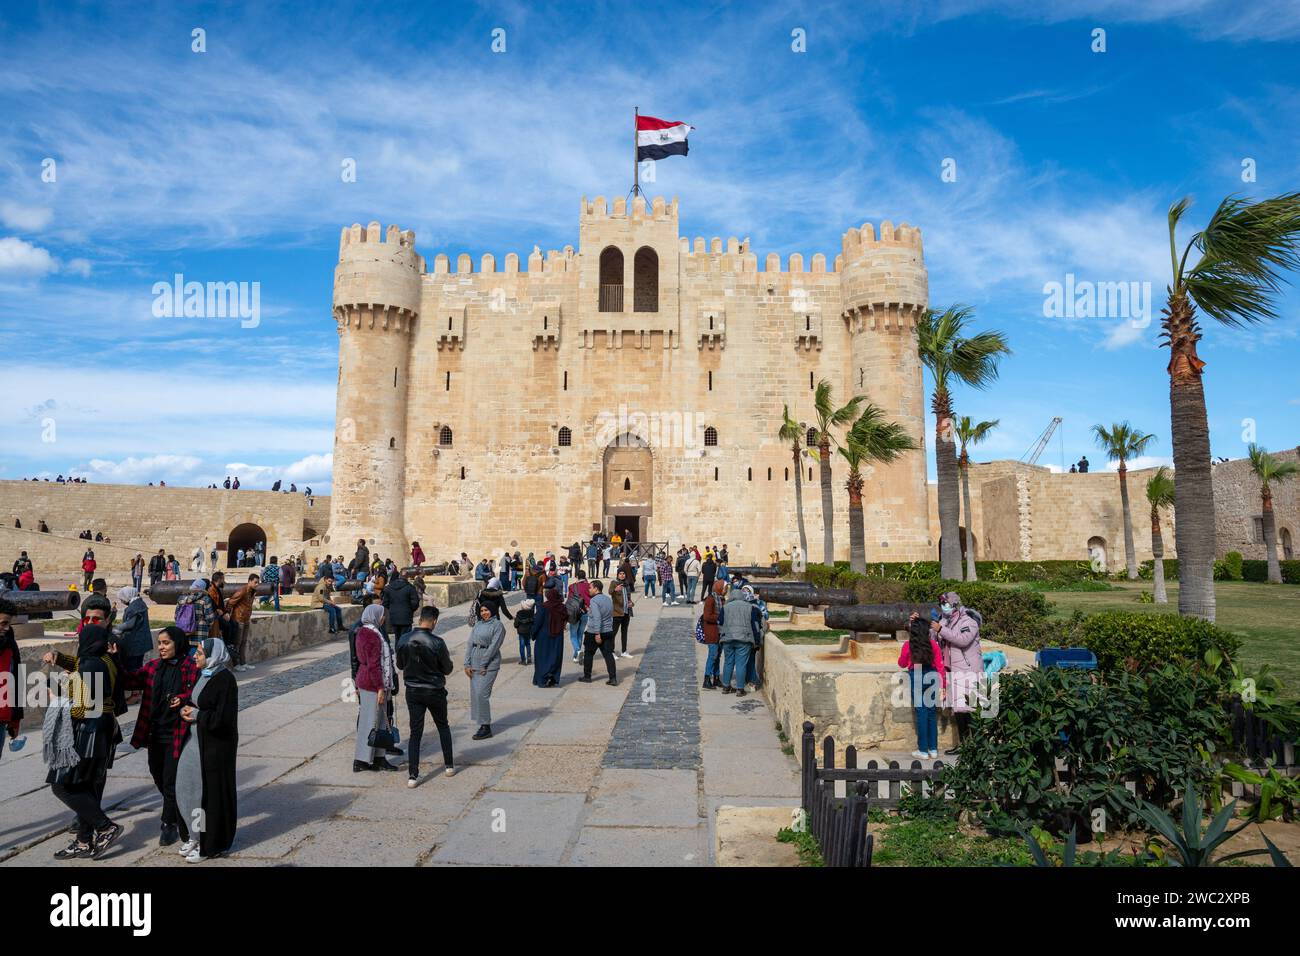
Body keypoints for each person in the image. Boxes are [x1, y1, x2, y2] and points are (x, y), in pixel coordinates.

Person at [42, 623, 125, 860]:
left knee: (63, 785)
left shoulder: (91, 664)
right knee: (86, 786)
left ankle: (105, 827)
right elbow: (80, 665)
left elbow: (82, 708)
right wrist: (60, 658)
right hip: (104, 727)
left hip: (90, 730)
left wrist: (57, 699)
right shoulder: (106, 660)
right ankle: (83, 841)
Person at [120, 626, 198, 846]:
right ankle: (178, 807)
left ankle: (168, 823)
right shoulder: (153, 667)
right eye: (160, 643)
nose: (161, 647)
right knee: (157, 774)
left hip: (178, 732)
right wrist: (115, 658)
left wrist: (183, 698)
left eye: (166, 643)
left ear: (177, 643)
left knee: (171, 778)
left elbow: (198, 693)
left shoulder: (191, 667)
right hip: (154, 732)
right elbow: (129, 681)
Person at [177, 637, 239, 861]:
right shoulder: (204, 674)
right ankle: (195, 835)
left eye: (200, 653)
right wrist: (185, 708)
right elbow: (198, 702)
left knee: (208, 796)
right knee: (188, 790)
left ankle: (209, 844)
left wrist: (196, 714)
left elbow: (223, 718)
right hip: (196, 742)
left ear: (213, 656)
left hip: (214, 747)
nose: (195, 656)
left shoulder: (225, 680)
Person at [396, 605, 455, 786]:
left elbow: (400, 665)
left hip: (413, 690)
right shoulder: (437, 642)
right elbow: (447, 668)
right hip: (434, 689)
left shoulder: (404, 639)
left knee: (415, 732)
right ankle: (449, 765)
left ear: (420, 619)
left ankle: (413, 775)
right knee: (443, 726)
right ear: (434, 621)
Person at [353, 604, 400, 773]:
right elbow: (374, 665)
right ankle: (362, 760)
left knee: (378, 722)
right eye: (381, 615)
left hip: (368, 681)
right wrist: (380, 687)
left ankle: (378, 758)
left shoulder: (363, 631)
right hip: (373, 684)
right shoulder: (372, 635)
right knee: (370, 722)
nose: (384, 618)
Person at [936, 591, 983, 755]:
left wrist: (941, 629)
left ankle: (975, 746)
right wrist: (915, 624)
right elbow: (935, 636)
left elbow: (963, 640)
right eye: (942, 604)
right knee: (959, 710)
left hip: (968, 670)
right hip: (954, 670)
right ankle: (963, 745)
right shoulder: (946, 620)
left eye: (946, 604)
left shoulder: (968, 621)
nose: (943, 607)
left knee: (970, 711)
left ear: (955, 605)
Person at [901, 612, 947, 760]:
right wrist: (943, 685)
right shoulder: (933, 645)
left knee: (921, 713)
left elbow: (901, 663)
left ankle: (923, 750)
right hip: (932, 675)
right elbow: (940, 666)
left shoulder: (908, 645)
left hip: (917, 674)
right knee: (931, 712)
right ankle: (933, 749)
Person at [465, 602, 505, 740]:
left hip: (489, 664)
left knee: (482, 694)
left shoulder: (498, 626)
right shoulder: (478, 624)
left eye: (486, 610)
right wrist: (467, 663)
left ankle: (486, 727)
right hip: (474, 660)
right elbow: (470, 643)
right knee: (476, 694)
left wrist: (483, 664)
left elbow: (494, 646)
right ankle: (481, 723)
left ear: (492, 610)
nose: (484, 613)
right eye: (482, 611)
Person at [718, 582, 762, 697]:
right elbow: (755, 625)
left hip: (728, 638)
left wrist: (722, 635)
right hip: (744, 638)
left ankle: (726, 686)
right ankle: (740, 689)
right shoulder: (750, 607)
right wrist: (757, 641)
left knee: (728, 662)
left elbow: (720, 623)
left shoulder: (725, 607)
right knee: (741, 664)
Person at [0, 599, 27, 759]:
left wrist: (15, 720)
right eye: (3, 623)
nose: (6, 628)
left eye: (8, 624)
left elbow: (17, 683)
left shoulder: (10, 646)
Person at [531, 578, 567, 688]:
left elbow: (537, 622)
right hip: (558, 636)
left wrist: (533, 634)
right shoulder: (562, 607)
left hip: (544, 636)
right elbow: (565, 619)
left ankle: (542, 679)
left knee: (542, 657)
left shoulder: (544, 607)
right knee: (555, 657)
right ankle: (553, 678)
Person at [581, 579, 617, 685]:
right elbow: (607, 614)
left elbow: (597, 617)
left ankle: (587, 676)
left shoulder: (594, 600)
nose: (589, 589)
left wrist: (597, 633)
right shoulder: (608, 599)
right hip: (608, 630)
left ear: (596, 589)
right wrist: (589, 611)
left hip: (595, 632)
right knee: (608, 655)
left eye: (590, 588)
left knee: (588, 653)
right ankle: (613, 678)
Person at [112, 586, 153, 676]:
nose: (122, 601)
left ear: (127, 596)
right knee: (138, 667)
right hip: (141, 642)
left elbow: (130, 624)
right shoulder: (139, 603)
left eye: (122, 599)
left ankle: (133, 683)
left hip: (134, 643)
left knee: (132, 669)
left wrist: (116, 628)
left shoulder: (134, 607)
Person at [224, 574, 260, 671]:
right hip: (238, 619)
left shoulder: (252, 592)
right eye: (255, 582)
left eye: (258, 582)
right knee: (237, 642)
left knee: (243, 642)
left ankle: (243, 662)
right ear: (249, 581)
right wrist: (227, 613)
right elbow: (231, 601)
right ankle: (236, 664)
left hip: (246, 619)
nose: (257, 584)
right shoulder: (242, 591)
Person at [382, 569, 421, 641]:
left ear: (399, 576)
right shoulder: (410, 588)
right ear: (407, 577)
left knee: (397, 638)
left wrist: (392, 609)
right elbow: (415, 603)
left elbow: (385, 603)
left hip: (394, 616)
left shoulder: (389, 587)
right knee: (406, 639)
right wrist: (409, 610)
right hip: (406, 617)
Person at [701, 580, 723, 689]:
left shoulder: (721, 599)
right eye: (724, 588)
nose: (726, 590)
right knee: (713, 655)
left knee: (718, 656)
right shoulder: (710, 599)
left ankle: (716, 678)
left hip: (720, 632)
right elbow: (707, 616)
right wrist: (720, 617)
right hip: (712, 632)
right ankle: (707, 679)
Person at [565, 569, 591, 663]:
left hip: (575, 613)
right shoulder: (589, 586)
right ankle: (576, 656)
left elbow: (570, 600)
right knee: (580, 634)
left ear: (576, 577)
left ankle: (578, 651)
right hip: (585, 612)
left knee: (573, 635)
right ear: (585, 577)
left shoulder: (572, 587)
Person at [609, 568, 635, 659]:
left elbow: (628, 598)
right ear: (617, 575)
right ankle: (611, 651)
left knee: (624, 632)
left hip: (626, 612)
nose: (622, 575)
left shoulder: (627, 584)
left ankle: (624, 651)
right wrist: (615, 590)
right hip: (617, 613)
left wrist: (632, 603)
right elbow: (610, 592)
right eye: (620, 573)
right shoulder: (614, 583)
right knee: (613, 633)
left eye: (623, 573)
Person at [514, 597, 535, 665]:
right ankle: (529, 658)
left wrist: (517, 626)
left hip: (521, 632)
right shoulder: (532, 614)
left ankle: (523, 659)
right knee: (528, 644)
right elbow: (533, 623)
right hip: (528, 631)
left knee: (522, 645)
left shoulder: (519, 614)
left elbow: (516, 624)